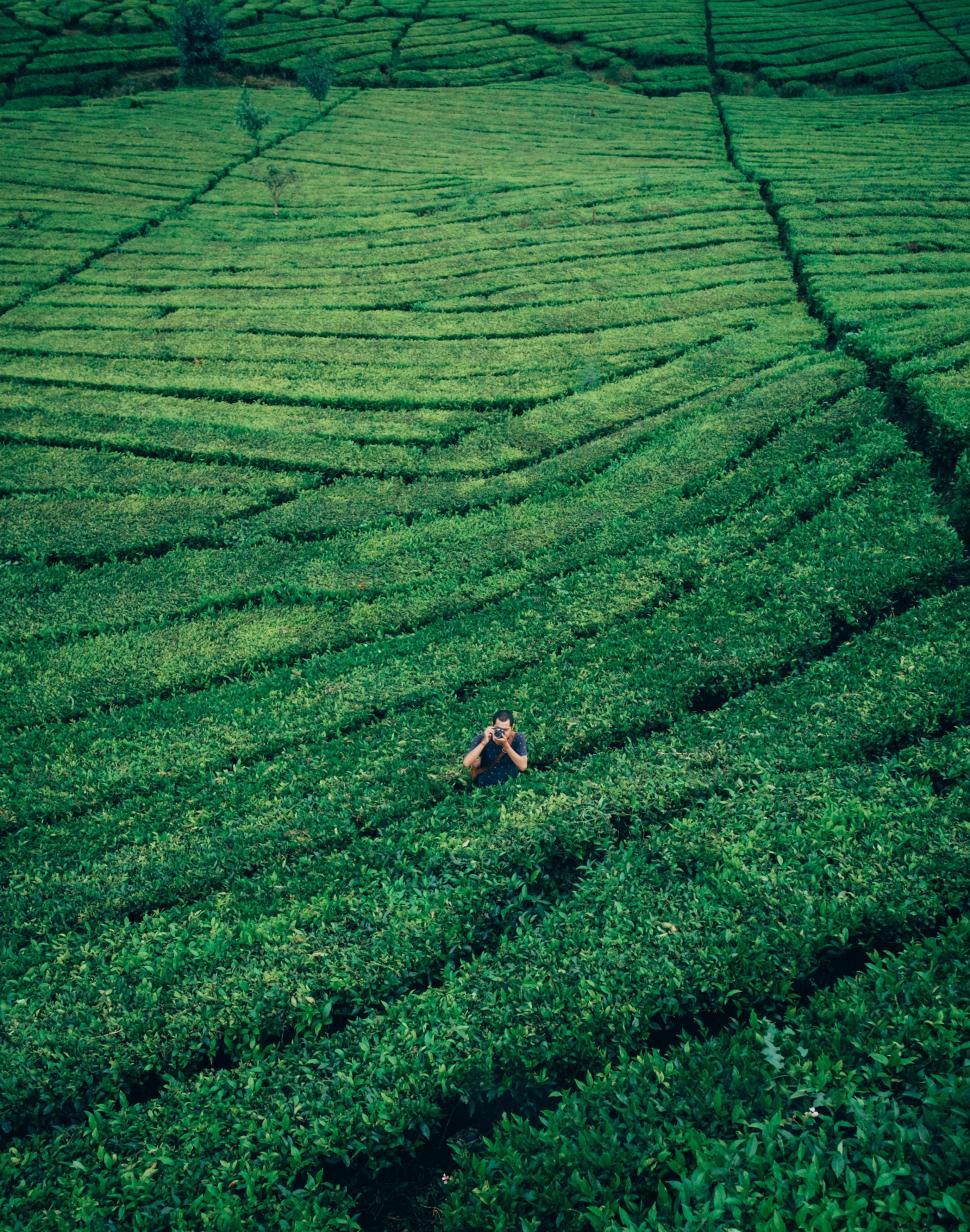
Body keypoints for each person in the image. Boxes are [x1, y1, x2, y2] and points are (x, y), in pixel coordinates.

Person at [463, 708, 528, 788]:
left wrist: (506, 745)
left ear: (512, 727)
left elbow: (523, 766)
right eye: (498, 729)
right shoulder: (482, 738)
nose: (501, 732)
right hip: (484, 786)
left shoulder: (518, 738)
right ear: (492, 726)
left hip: (509, 787)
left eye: (505, 730)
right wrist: (483, 742)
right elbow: (466, 763)